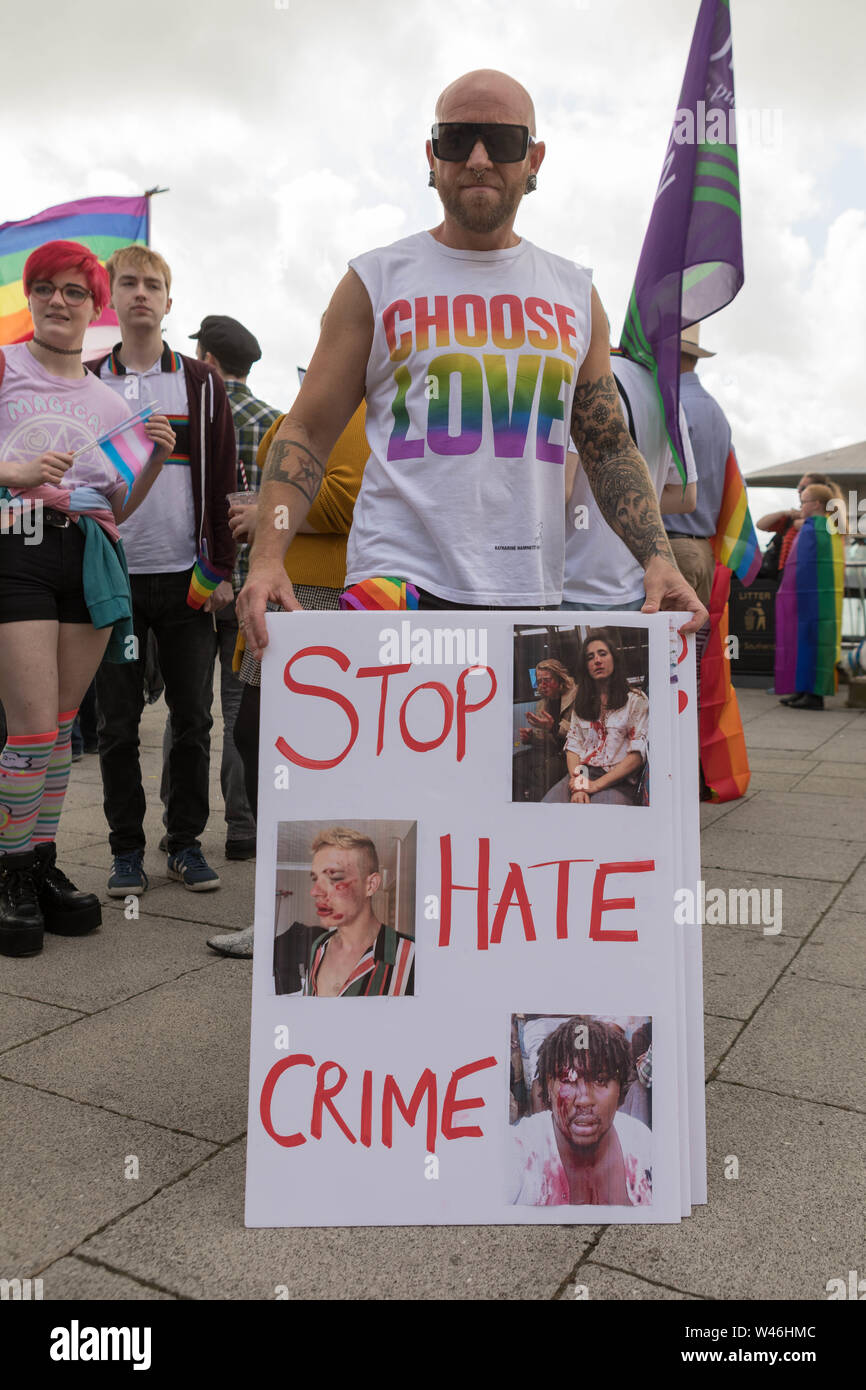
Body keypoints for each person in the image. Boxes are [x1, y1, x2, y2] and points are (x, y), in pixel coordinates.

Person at [236, 69, 707, 657]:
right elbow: (308, 429)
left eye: (503, 141)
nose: (479, 159)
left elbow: (608, 445)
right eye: (458, 140)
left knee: (509, 751)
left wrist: (658, 561)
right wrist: (268, 557)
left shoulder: (575, 293)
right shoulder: (375, 280)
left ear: (533, 159)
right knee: (395, 751)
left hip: (527, 592)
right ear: (432, 155)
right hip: (395, 585)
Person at [0, 240, 175, 956]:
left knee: (65, 729)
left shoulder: (109, 401)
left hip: (91, 557)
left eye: (75, 292)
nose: (59, 302)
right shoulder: (5, 368)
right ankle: (9, 871)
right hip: (18, 544)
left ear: (93, 307)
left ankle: (38, 864)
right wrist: (16, 468)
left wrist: (157, 459)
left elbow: (120, 508)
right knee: (35, 730)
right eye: (47, 288)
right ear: (31, 296)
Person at [90, 246, 236, 896]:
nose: (142, 294)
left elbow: (228, 480)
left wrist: (223, 570)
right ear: (112, 299)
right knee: (116, 726)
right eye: (130, 283)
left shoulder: (201, 383)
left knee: (194, 719)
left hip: (187, 577)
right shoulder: (88, 382)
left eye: (154, 285)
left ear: (169, 302)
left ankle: (183, 843)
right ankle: (126, 851)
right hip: (113, 578)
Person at [205, 397, 369, 958]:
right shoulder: (309, 410)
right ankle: (284, 906)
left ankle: (298, 911)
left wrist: (268, 513)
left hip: (322, 601)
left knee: (290, 756)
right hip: (288, 599)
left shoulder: (366, 407)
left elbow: (353, 501)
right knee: (257, 743)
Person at [170, 314, 281, 862]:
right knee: (241, 707)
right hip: (254, 584)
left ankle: (179, 826)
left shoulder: (193, 413)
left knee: (187, 708)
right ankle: (243, 829)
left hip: (195, 579)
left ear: (206, 358)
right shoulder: (276, 421)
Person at [562, 352, 697, 610]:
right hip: (641, 581)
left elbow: (561, 490)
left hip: (574, 580)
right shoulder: (665, 390)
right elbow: (686, 497)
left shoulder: (576, 380)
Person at [509, 1016, 651, 1206]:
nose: (584, 1099)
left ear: (620, 1090)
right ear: (548, 1087)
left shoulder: (641, 1141)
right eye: (568, 1080)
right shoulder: (519, 1150)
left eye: (600, 1080)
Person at [304, 827, 415, 997]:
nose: (316, 891)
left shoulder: (414, 956)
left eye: (334, 878)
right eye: (316, 879)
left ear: (370, 885)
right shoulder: (319, 947)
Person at [544, 629, 648, 804]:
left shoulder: (635, 700)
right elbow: (574, 747)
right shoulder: (582, 702)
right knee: (547, 808)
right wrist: (580, 782)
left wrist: (594, 786)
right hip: (583, 772)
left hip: (618, 780)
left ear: (614, 659)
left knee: (596, 818)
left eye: (602, 654)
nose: (597, 660)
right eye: (590, 657)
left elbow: (637, 756)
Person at [775, 483, 844, 711]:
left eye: (803, 502)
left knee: (808, 642)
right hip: (816, 597)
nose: (800, 506)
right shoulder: (827, 526)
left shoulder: (815, 527)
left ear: (815, 504)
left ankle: (813, 694)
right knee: (803, 642)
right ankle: (803, 689)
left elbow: (804, 566)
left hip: (810, 597)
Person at [514, 657, 576, 801]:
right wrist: (531, 738)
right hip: (551, 751)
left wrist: (552, 727)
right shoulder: (541, 705)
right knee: (515, 763)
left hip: (571, 754)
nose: (542, 685)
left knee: (543, 774)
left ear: (560, 679)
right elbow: (545, 741)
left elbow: (578, 734)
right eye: (539, 681)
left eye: (547, 680)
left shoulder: (576, 697)